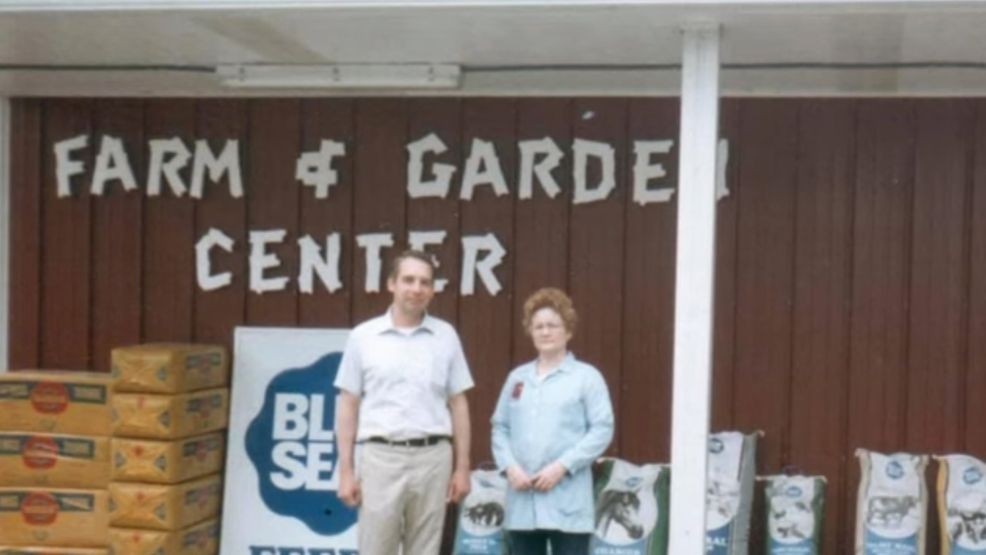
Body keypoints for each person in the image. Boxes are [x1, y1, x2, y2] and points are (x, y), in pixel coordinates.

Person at [334, 250, 473, 555]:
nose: (416, 288)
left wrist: (462, 467)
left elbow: (458, 403)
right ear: (391, 284)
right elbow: (348, 404)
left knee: (424, 550)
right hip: (380, 457)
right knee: (375, 550)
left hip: (433, 458)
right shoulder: (364, 336)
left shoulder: (446, 336)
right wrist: (345, 470)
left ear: (433, 290)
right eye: (408, 280)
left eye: (425, 282)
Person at [491, 287, 614, 555]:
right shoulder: (517, 378)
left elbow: (602, 429)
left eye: (553, 326)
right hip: (523, 502)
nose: (545, 332)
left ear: (568, 331)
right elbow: (500, 427)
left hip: (567, 503)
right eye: (538, 327)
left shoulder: (586, 377)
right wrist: (510, 468)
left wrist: (562, 467)